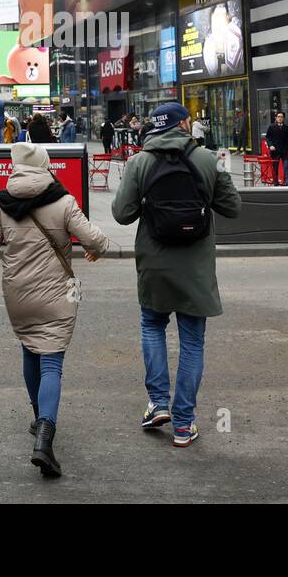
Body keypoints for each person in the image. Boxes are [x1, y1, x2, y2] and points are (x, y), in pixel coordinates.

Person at [0, 142, 114, 478]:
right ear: (46, 165)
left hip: (17, 294)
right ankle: (45, 437)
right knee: (51, 361)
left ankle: (39, 417)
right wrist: (96, 250)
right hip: (57, 293)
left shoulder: (2, 205)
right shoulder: (64, 202)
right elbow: (96, 240)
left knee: (29, 350)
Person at [111, 102, 241, 448]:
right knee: (193, 343)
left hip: (154, 265)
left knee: (152, 327)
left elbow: (122, 214)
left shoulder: (139, 161)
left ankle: (157, 404)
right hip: (196, 269)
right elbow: (233, 207)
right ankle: (183, 424)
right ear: (183, 124)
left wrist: (149, 204)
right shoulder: (205, 159)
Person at [265, 110, 288, 186]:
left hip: (284, 151)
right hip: (275, 151)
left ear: (283, 118)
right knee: (275, 168)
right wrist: (271, 146)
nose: (280, 118)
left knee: (286, 167)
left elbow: (287, 139)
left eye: (282, 117)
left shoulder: (286, 127)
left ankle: (286, 182)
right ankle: (276, 183)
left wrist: (286, 149)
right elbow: (267, 137)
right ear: (276, 118)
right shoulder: (271, 127)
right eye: (278, 117)